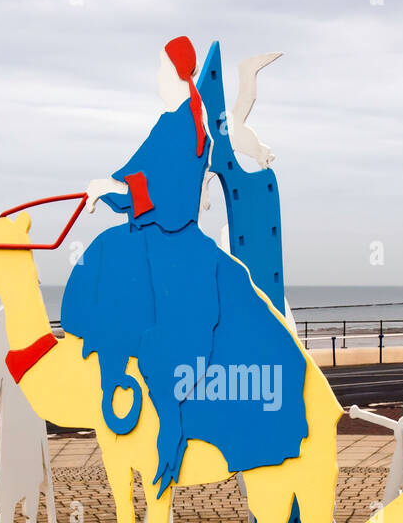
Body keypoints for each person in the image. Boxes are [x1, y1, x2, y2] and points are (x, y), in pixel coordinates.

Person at [61, 37, 308, 496]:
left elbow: (165, 195)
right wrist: (108, 186)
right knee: (107, 260)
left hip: (174, 241)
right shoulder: (173, 123)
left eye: (159, 70)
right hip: (157, 236)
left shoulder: (185, 127)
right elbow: (135, 173)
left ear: (175, 73)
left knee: (167, 332)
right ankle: (112, 363)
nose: (156, 79)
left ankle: (171, 426)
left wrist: (117, 190)